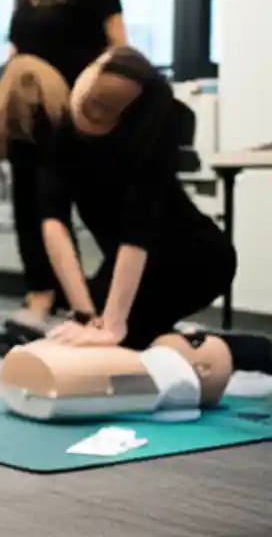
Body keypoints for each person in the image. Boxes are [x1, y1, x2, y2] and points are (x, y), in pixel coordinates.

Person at [38, 47, 235, 351]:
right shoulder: (60, 130)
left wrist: (114, 325)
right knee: (76, 339)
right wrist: (83, 313)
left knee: (123, 345)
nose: (89, 117)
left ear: (124, 116)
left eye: (104, 112)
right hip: (126, 263)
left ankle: (247, 352)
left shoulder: (150, 137)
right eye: (90, 102)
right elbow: (53, 221)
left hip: (192, 261)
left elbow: (137, 232)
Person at [1, 0, 127, 319]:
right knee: (26, 201)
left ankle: (103, 292)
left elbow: (118, 46)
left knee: (78, 203)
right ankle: (41, 287)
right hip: (28, 116)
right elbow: (15, 50)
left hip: (77, 112)